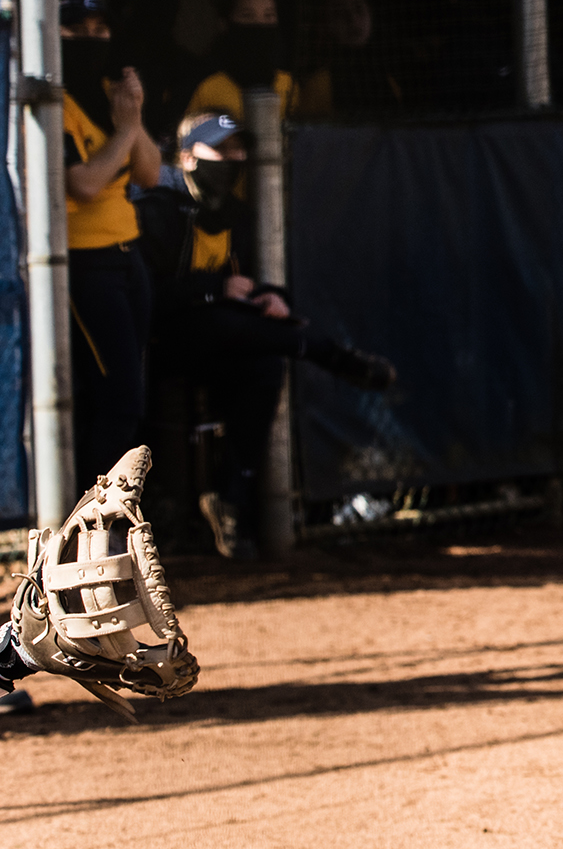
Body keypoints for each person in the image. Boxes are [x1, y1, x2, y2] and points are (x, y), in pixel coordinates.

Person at [135, 112, 395, 556]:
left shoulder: (239, 215)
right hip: (166, 343)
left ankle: (232, 499)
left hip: (231, 341)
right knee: (225, 325)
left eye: (239, 149)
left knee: (266, 364)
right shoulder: (157, 210)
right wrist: (214, 289)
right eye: (220, 149)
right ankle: (330, 354)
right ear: (186, 157)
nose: (233, 159)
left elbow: (253, 282)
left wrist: (272, 298)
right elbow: (146, 299)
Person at [59, 0, 163, 486]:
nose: (90, 39)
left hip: (128, 257)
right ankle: (92, 529)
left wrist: (133, 119)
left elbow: (147, 173)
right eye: (75, 31)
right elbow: (82, 184)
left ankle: (108, 517)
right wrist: (124, 130)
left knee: (128, 392)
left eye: (99, 30)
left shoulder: (108, 94)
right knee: (119, 399)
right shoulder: (51, 102)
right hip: (83, 264)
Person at [186, 0, 297, 118]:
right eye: (247, 16)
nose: (259, 24)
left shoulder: (289, 86)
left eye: (268, 15)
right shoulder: (207, 89)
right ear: (225, 24)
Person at [298, 0, 402, 117]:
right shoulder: (319, 86)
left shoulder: (390, 82)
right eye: (339, 13)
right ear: (327, 24)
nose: (352, 20)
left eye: (359, 9)